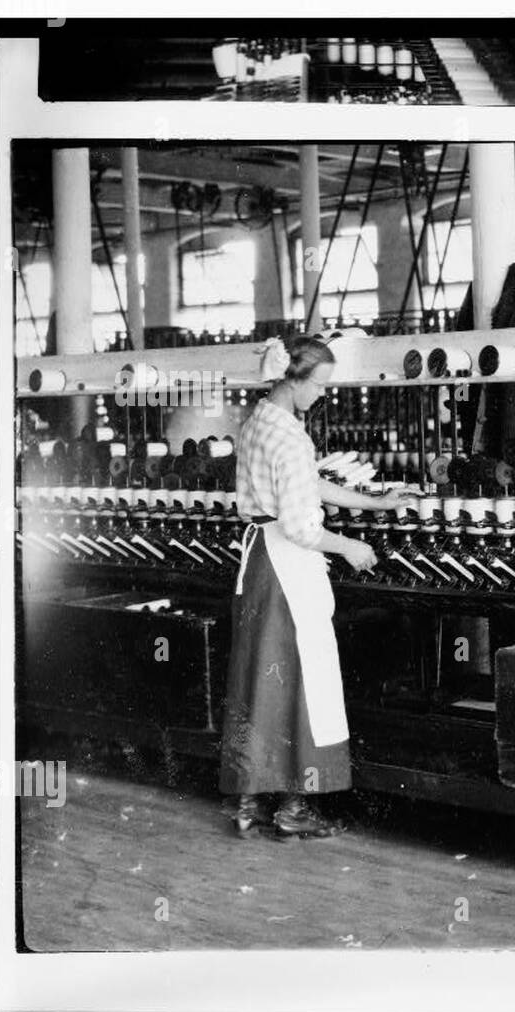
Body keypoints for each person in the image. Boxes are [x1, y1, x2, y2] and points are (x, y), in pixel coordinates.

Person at [219, 336, 414, 839]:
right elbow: (303, 526)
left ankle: (249, 804)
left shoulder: (260, 422)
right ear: (294, 379)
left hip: (260, 564)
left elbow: (309, 483)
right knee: (301, 684)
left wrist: (377, 503)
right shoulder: (290, 436)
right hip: (288, 567)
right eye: (320, 384)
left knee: (260, 683)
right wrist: (350, 546)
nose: (322, 395)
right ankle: (293, 810)